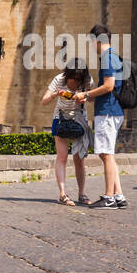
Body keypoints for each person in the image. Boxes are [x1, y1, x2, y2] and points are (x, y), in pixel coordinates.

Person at [73, 24, 126, 209]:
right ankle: (118, 195)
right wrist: (91, 96)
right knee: (107, 154)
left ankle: (109, 197)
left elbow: (109, 85)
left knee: (106, 154)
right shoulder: (115, 58)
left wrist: (86, 95)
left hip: (108, 112)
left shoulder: (107, 58)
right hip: (113, 110)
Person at [41, 64, 91, 206]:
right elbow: (44, 101)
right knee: (62, 157)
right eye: (72, 79)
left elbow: (93, 98)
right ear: (67, 76)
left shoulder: (88, 80)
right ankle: (62, 194)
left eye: (78, 79)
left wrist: (85, 97)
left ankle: (82, 194)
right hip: (61, 118)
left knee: (79, 158)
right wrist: (55, 94)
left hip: (80, 119)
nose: (75, 83)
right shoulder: (59, 79)